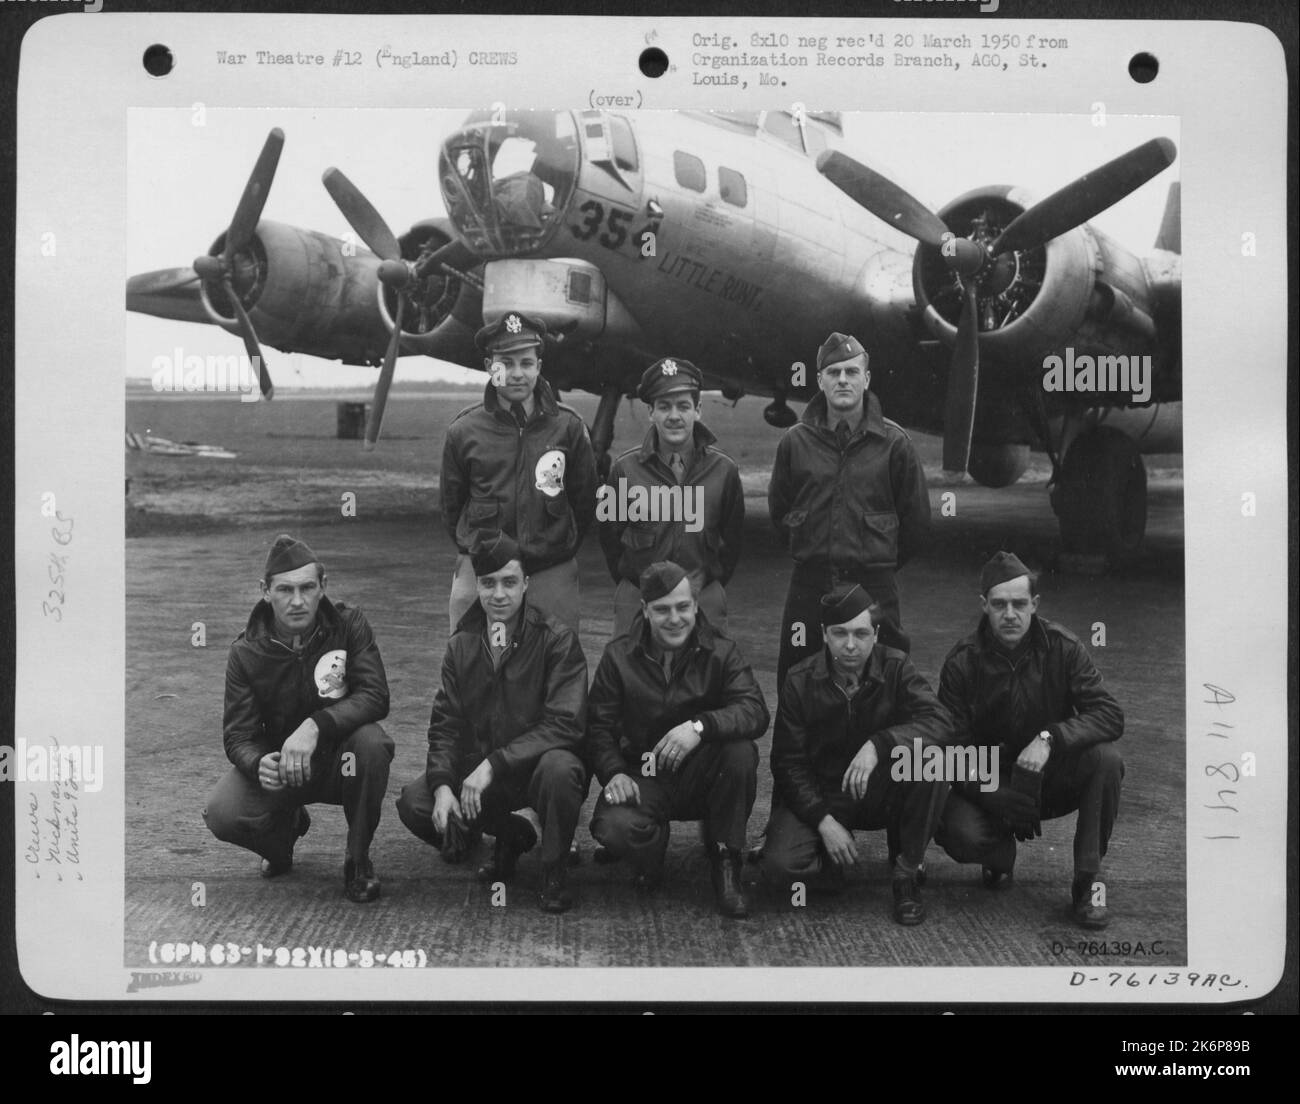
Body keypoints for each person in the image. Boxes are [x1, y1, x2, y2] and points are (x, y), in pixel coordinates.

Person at [395, 533, 588, 913]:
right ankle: (511, 834)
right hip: (483, 777)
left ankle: (554, 870)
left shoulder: (556, 640)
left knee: (561, 769)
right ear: (478, 586)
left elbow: (565, 724)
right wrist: (442, 786)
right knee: (416, 803)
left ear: (527, 584)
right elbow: (446, 725)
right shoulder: (462, 644)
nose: (498, 594)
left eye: (509, 582)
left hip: (536, 772)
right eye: (488, 583)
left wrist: (494, 763)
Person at [934, 551, 1125, 929]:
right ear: (984, 606)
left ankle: (1088, 880)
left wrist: (1050, 736)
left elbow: (1109, 714)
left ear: (1034, 605)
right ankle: (999, 854)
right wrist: (1000, 797)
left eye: (1019, 604)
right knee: (954, 827)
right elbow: (948, 749)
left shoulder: (1063, 647)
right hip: (993, 782)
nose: (1010, 614)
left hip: (1050, 777)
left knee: (1106, 760)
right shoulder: (962, 662)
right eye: (999, 604)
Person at [203, 534, 393, 903]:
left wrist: (316, 726)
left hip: (342, 762)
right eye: (285, 590)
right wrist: (259, 763)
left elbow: (375, 696)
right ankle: (281, 842)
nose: (297, 600)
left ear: (323, 586)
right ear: (265, 591)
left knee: (373, 743)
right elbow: (237, 736)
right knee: (222, 812)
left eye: (307, 588)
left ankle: (358, 861)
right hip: (285, 770)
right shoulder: (245, 653)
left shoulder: (349, 625)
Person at [585, 561, 769, 918]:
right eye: (662, 610)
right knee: (613, 829)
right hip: (644, 775)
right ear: (644, 611)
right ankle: (650, 853)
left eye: (683, 607)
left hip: (702, 772)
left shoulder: (722, 651)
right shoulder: (617, 656)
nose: (675, 619)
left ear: (696, 606)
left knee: (740, 752)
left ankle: (726, 860)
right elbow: (597, 727)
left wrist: (699, 727)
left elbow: (755, 710)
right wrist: (613, 773)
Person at [763, 585, 951, 925]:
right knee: (779, 868)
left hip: (881, 790)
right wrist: (823, 821)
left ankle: (906, 874)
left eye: (861, 633)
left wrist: (880, 744)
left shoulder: (896, 667)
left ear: (876, 634)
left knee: (934, 762)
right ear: (823, 634)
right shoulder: (799, 680)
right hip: (825, 794)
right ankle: (833, 865)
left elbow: (939, 722)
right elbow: (787, 761)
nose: (851, 645)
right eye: (840, 633)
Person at [768, 331, 931, 691]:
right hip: (809, 585)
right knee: (797, 682)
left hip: (873, 585)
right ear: (820, 381)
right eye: (834, 372)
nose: (843, 380)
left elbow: (917, 522)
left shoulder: (895, 444)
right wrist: (814, 546)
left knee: (885, 684)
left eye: (852, 372)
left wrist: (875, 558)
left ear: (866, 379)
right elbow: (780, 510)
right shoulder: (794, 442)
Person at [440, 310, 598, 635]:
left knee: (557, 667)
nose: (516, 374)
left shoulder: (568, 426)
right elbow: (451, 506)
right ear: (488, 367)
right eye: (505, 363)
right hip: (484, 568)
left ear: (539, 367)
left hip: (550, 566)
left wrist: (559, 545)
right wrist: (476, 551)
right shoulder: (463, 431)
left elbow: (584, 501)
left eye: (526, 363)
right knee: (472, 666)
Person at [599, 357, 744, 637]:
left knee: (709, 675)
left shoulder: (725, 471)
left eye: (683, 406)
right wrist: (637, 584)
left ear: (698, 410)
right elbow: (610, 539)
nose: (674, 416)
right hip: (639, 598)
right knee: (631, 676)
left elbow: (732, 543)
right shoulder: (623, 470)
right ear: (651, 412)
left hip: (702, 596)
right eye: (664, 407)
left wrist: (706, 581)